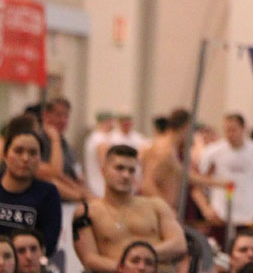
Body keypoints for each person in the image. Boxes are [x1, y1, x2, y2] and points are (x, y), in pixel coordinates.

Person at [72, 145, 187, 273]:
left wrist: (143, 257)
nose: (126, 175)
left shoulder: (157, 205)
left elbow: (179, 244)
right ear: (103, 171)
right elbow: (89, 259)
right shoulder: (87, 212)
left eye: (131, 170)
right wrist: (126, 268)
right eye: (119, 168)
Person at [199, 114, 253, 236]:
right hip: (221, 214)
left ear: (243, 128)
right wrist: (205, 208)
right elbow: (199, 182)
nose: (230, 134)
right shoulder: (213, 151)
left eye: (233, 130)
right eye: (227, 130)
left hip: (248, 215)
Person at [0, 117, 62, 256]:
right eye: (18, 151)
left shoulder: (48, 194)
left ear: (40, 160)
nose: (25, 158)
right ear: (5, 155)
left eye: (33, 153)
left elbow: (48, 245)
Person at [37, 98, 88, 203]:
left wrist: (82, 190)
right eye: (58, 115)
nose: (63, 120)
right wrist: (81, 196)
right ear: (45, 115)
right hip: (51, 199)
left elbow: (74, 173)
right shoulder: (39, 140)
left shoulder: (66, 144)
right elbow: (53, 174)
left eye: (66, 116)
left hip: (72, 199)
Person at [83, 113, 116, 198]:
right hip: (100, 187)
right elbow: (106, 165)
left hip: (94, 184)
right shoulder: (100, 139)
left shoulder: (94, 137)